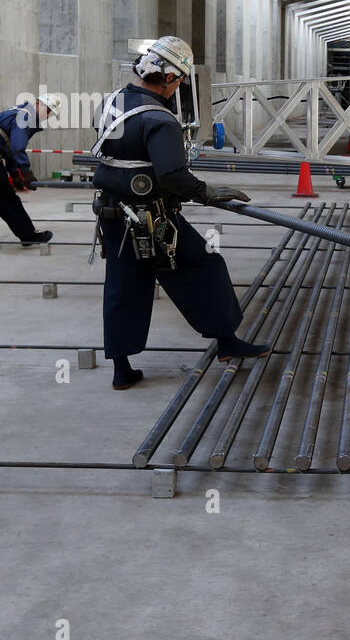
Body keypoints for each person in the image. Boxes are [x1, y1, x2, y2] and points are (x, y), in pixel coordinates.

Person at [90, 35, 267, 390]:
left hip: (113, 214)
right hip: (153, 217)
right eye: (181, 80)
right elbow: (171, 173)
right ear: (169, 77)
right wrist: (206, 193)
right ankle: (227, 342)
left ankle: (121, 369)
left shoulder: (111, 102)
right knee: (205, 266)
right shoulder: (159, 118)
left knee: (122, 286)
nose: (179, 87)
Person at [0, 94, 64, 249]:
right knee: (6, 199)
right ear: (38, 103)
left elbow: (8, 148)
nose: (48, 115)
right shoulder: (26, 116)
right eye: (48, 109)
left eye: (51, 112)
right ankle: (27, 235)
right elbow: (17, 147)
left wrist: (14, 173)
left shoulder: (21, 112)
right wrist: (25, 172)